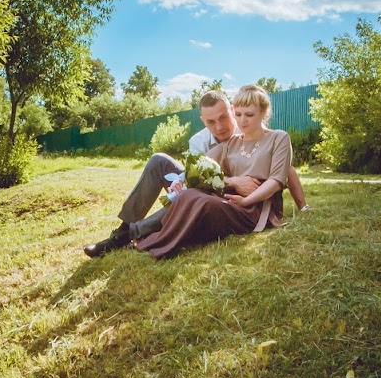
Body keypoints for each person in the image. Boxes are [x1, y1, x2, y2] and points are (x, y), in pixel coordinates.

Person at [84, 88, 308, 257]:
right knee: (161, 163)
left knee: (193, 197)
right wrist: (231, 181)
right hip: (214, 189)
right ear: (203, 120)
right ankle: (125, 230)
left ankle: (133, 234)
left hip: (232, 198)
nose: (221, 126)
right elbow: (199, 175)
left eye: (225, 118)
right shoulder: (203, 142)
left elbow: (284, 170)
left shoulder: (269, 136)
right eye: (211, 122)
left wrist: (302, 205)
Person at [133, 84, 291, 259]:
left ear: (263, 112)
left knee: (204, 204)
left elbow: (277, 179)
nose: (242, 121)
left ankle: (147, 236)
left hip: (259, 206)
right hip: (234, 198)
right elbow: (200, 167)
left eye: (249, 115)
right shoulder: (233, 142)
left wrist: (247, 201)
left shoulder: (279, 137)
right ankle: (142, 232)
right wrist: (182, 181)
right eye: (238, 115)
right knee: (189, 195)